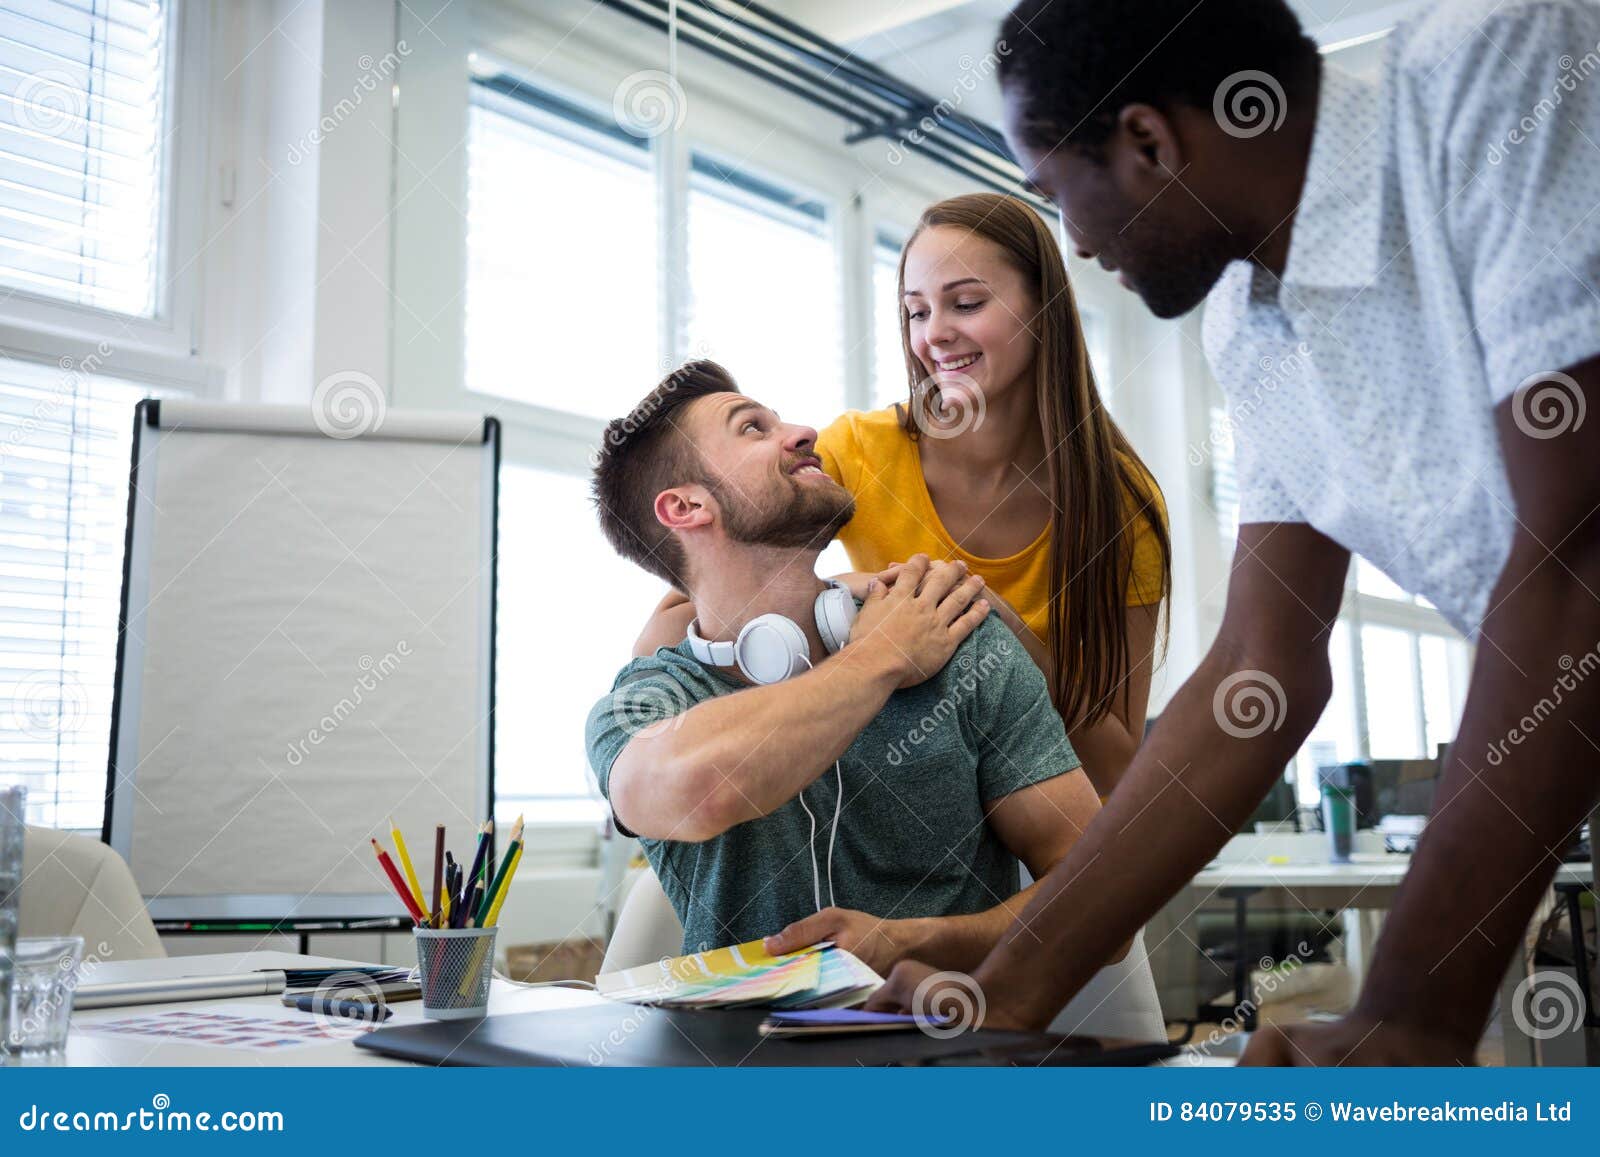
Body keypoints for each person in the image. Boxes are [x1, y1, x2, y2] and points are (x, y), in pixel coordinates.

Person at [868, 0, 1600, 1066]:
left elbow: (1580, 552)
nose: (1074, 235)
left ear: (1150, 142)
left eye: (1059, 189)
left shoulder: (1495, 58)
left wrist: (1406, 1010)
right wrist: (1015, 978)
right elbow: (1260, 670)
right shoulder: (1245, 323)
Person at [635, 193, 1172, 796]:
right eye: (916, 312)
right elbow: (668, 633)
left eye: (966, 303)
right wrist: (859, 597)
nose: (935, 335)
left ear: (1042, 309)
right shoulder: (858, 453)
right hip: (902, 799)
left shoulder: (1119, 502)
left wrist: (986, 616)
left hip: (1037, 814)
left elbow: (1116, 765)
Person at [584, 360, 1105, 975]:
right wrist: (880, 659)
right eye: (752, 429)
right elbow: (699, 790)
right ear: (686, 506)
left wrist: (912, 942)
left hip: (947, 1054)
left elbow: (1101, 898)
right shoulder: (647, 700)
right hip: (740, 1062)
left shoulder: (955, 637)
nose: (804, 433)